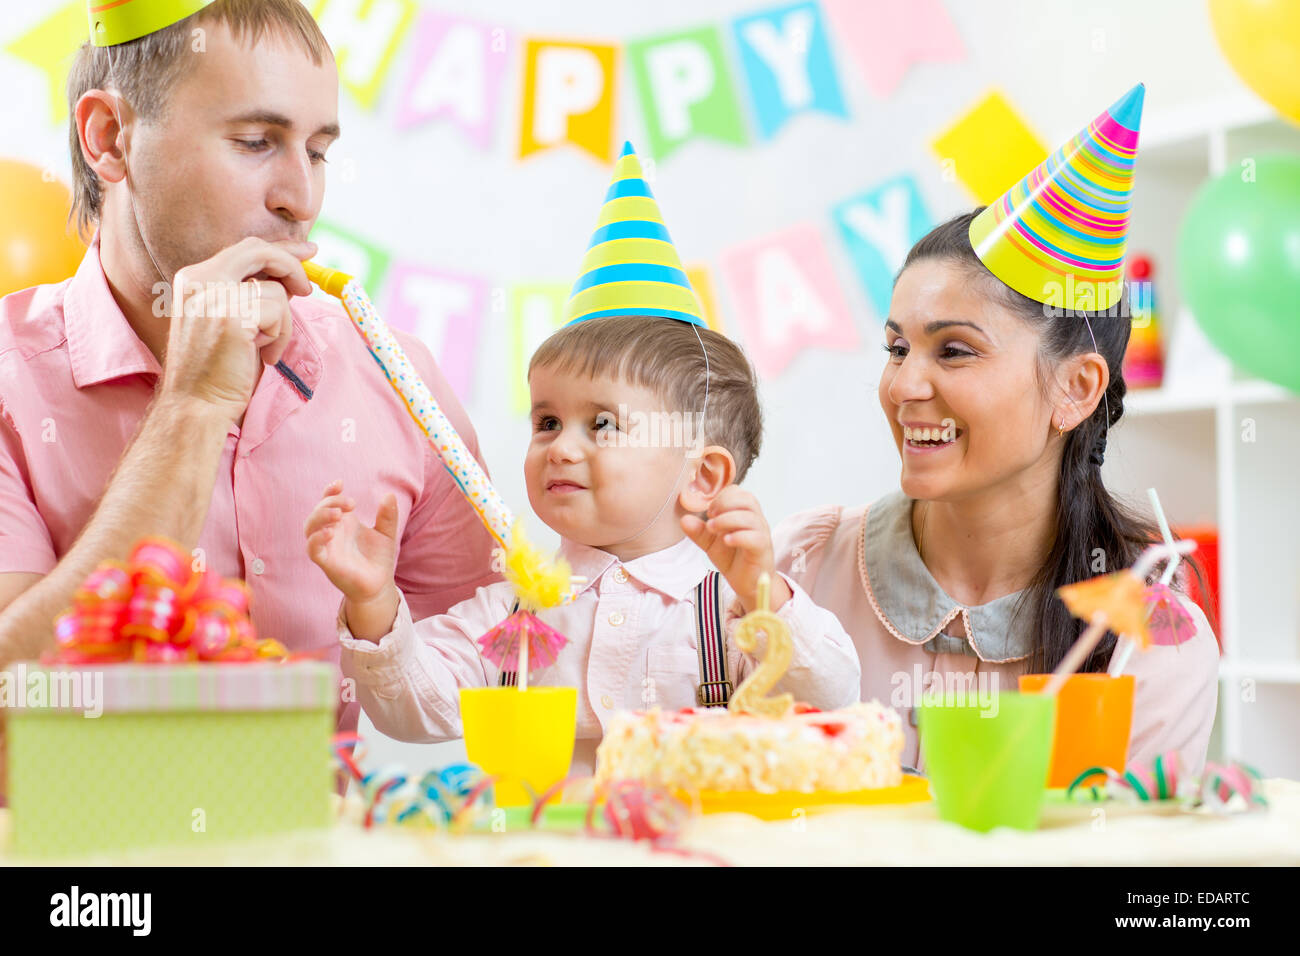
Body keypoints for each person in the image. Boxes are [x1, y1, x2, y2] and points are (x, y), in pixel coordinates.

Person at [0, 0, 497, 752]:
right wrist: (192, 409)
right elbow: (9, 723)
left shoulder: (398, 379)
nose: (301, 199)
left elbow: (505, 676)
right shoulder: (11, 384)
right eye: (256, 141)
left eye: (319, 151)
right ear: (110, 139)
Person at [305, 146, 861, 774]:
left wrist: (766, 593)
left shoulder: (731, 607)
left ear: (702, 476)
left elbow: (831, 699)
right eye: (546, 421)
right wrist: (375, 601)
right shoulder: (516, 606)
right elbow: (418, 711)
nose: (561, 446)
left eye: (601, 423)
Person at [773, 85, 1220, 775]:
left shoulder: (1152, 633)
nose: (903, 387)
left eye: (953, 350)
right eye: (897, 349)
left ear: (1074, 390)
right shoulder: (800, 570)